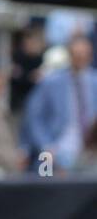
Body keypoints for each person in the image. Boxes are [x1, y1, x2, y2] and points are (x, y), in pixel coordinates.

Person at [22, 32, 97, 172]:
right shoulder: (51, 82)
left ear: (90, 55)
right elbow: (33, 117)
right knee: (45, 173)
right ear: (69, 55)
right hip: (56, 148)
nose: (80, 59)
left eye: (84, 55)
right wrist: (46, 147)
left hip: (90, 153)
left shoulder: (94, 81)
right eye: (77, 55)